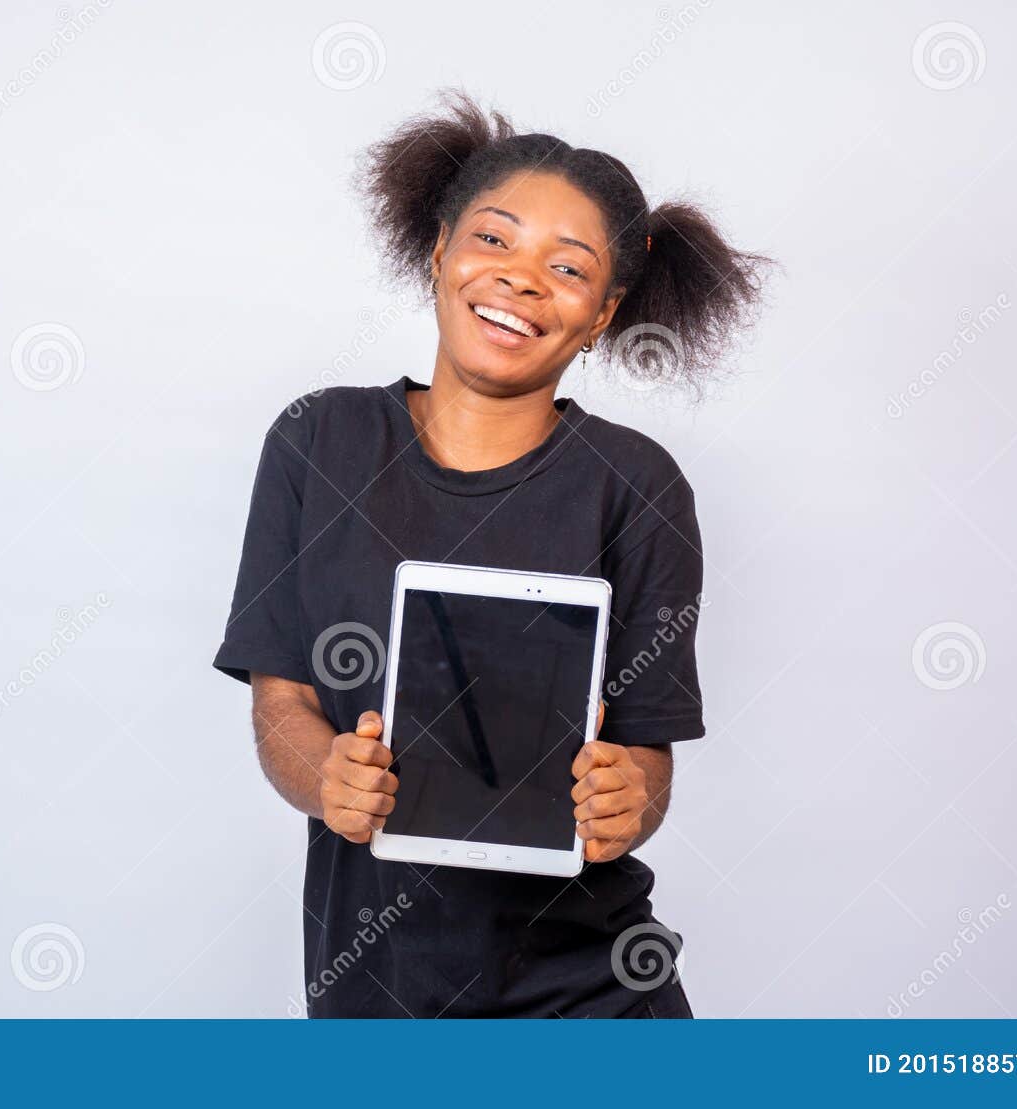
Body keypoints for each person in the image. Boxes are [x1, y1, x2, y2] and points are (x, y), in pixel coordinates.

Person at [213, 91, 769, 1017]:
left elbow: (646, 758)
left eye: (568, 267)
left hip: (593, 1000)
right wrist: (327, 777)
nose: (521, 279)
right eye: (494, 239)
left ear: (604, 313)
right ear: (440, 251)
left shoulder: (636, 485)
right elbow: (282, 703)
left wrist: (625, 798)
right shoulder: (318, 441)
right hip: (377, 995)